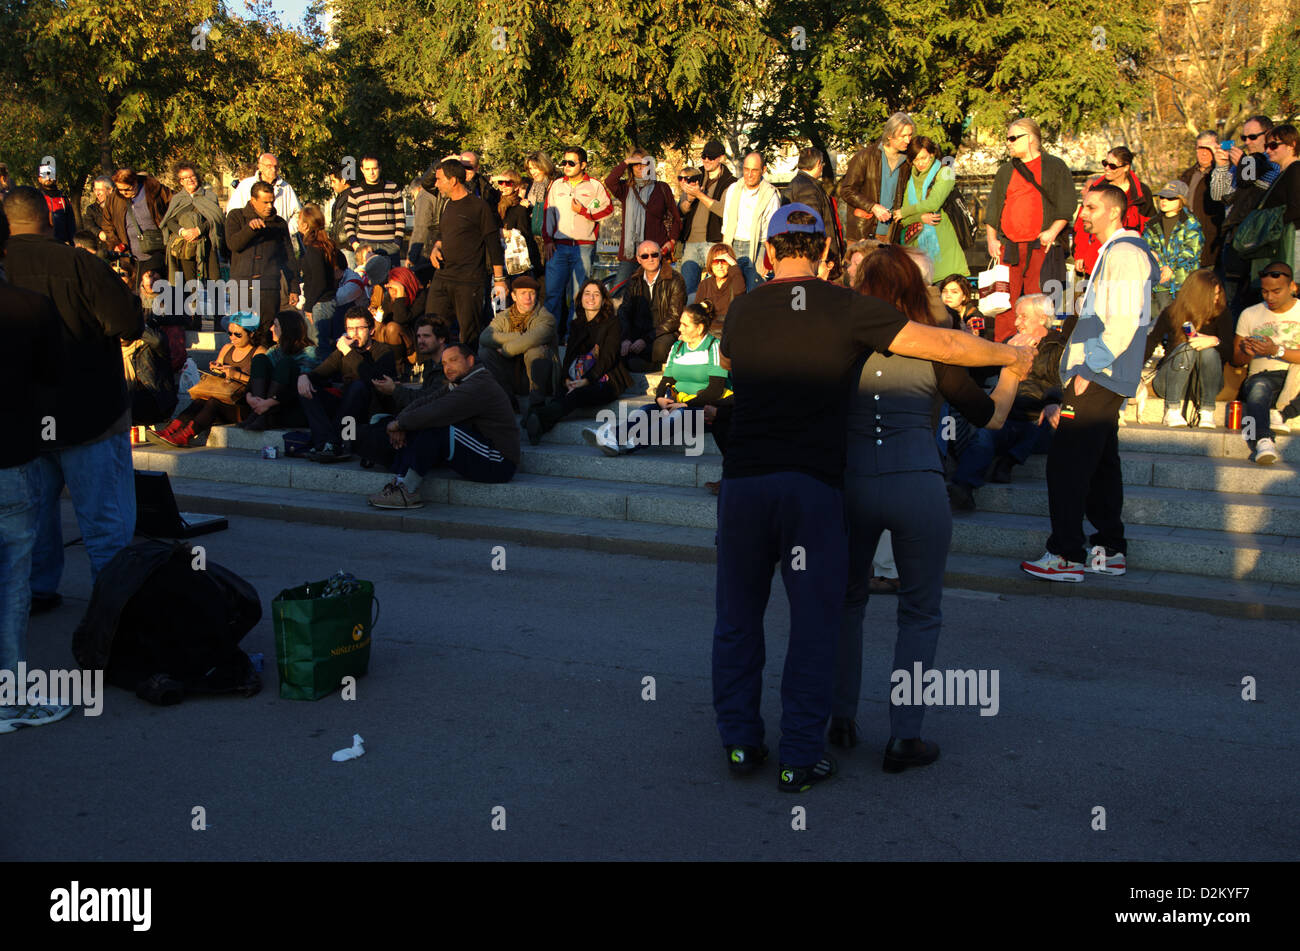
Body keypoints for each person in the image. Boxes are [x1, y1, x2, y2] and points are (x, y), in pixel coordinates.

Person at [712, 203, 1031, 791]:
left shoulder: (743, 308)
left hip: (745, 483)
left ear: (765, 254)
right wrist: (1012, 355)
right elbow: (947, 348)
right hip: (813, 486)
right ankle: (800, 757)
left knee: (737, 617)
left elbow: (730, 362)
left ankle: (740, 743)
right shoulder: (846, 309)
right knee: (815, 622)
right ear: (829, 258)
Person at [832, 244, 1023, 764]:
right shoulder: (935, 349)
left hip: (851, 482)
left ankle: (839, 718)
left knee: (846, 604)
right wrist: (1013, 369)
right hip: (916, 483)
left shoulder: (840, 344)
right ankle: (904, 733)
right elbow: (991, 418)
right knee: (920, 612)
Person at [3, 187, 143, 616]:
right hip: (90, 416)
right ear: (49, 216)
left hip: (25, 421)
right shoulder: (81, 264)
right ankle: (113, 610)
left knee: (35, 522)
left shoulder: (5, 269)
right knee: (104, 523)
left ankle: (38, 592)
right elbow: (127, 324)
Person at [1021, 183, 1159, 582]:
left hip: (1099, 375)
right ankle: (1109, 548)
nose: (1083, 213)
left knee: (1066, 464)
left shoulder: (1126, 253)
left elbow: (1125, 320)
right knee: (1100, 464)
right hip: (1103, 375)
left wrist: (1088, 366)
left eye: (1091, 207)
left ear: (1115, 213)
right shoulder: (1119, 253)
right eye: (1082, 205)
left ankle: (1065, 554)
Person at [0, 203, 71, 732]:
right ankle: (9, 696)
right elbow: (52, 381)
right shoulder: (28, 308)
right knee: (11, 582)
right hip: (10, 461)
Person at [366, 344, 520, 509]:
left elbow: (437, 411)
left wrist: (399, 424)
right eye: (444, 363)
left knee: (437, 429)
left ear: (470, 360)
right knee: (419, 424)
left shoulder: (480, 385)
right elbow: (425, 402)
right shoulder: (460, 383)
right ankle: (400, 482)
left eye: (453, 360)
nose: (448, 367)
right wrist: (400, 422)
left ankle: (407, 491)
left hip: (498, 462)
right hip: (478, 451)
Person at [949, 293, 1066, 508]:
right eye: (1017, 316)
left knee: (1043, 425)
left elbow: (1062, 380)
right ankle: (962, 488)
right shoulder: (1010, 341)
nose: (1016, 322)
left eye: (1023, 316)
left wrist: (1052, 401)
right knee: (985, 435)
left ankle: (1008, 461)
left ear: (1042, 318)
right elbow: (982, 374)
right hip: (1007, 415)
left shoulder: (1057, 347)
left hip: (1036, 416)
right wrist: (1005, 351)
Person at [583, 299, 730, 455]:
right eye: (680, 323)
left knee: (678, 415)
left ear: (699, 328)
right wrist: (660, 397)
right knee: (646, 409)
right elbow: (667, 380)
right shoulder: (677, 347)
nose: (680, 328)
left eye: (685, 325)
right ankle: (612, 436)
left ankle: (628, 444)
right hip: (677, 403)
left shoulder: (713, 346)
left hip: (703, 409)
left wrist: (686, 405)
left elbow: (715, 389)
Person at [984, 118, 1077, 341]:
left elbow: (1067, 205)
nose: (1009, 143)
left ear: (1031, 139)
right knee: (1004, 300)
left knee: (1038, 303)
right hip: (1009, 247)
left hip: (1040, 246)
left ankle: (1038, 347)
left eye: (1013, 137)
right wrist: (991, 239)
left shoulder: (1055, 166)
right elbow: (994, 206)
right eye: (1007, 138)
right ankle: (1003, 350)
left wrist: (1053, 232)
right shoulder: (1006, 170)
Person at [525, 279, 631, 445]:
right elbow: (569, 357)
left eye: (596, 294)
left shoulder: (612, 323)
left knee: (577, 394)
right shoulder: (576, 324)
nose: (591, 298)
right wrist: (566, 378)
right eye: (587, 294)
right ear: (580, 298)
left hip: (604, 378)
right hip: (576, 374)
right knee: (561, 394)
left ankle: (535, 417)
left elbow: (608, 358)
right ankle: (537, 426)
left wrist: (587, 380)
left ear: (604, 300)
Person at [423, 159, 507, 350]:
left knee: (469, 334)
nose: (436, 184)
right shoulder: (447, 205)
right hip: (443, 276)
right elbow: (445, 234)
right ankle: (434, 374)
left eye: (439, 179)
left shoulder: (479, 207)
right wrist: (437, 247)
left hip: (468, 281)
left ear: (453, 181)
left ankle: (470, 374)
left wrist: (500, 279)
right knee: (431, 327)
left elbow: (493, 244)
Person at [148, 313, 268, 447]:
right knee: (200, 400)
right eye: (229, 333)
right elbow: (217, 374)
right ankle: (171, 429)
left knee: (212, 402)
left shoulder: (260, 352)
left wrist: (236, 375)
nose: (232, 337)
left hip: (241, 405)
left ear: (251, 334)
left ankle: (184, 435)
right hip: (224, 395)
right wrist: (217, 368)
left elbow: (261, 384)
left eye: (237, 334)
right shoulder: (227, 348)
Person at [297, 308, 397, 462]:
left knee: (358, 386)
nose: (354, 334)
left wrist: (348, 352)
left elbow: (374, 381)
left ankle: (335, 443)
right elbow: (320, 372)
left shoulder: (384, 352)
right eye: (350, 329)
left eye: (359, 328)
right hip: (345, 410)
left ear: (371, 330)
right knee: (307, 389)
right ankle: (326, 443)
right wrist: (304, 377)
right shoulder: (344, 350)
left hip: (370, 410)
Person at [1212, 115, 1281, 317]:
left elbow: (1260, 189)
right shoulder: (1241, 164)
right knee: (1233, 303)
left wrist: (1244, 165)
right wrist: (1222, 166)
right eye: (1244, 138)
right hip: (1233, 238)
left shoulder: (1273, 163)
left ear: (1267, 136)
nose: (1247, 143)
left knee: (1257, 301)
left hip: (1258, 242)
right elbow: (1219, 195)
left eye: (1252, 137)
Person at [541, 147, 613, 339]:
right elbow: (548, 213)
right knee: (552, 295)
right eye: (564, 162)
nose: (566, 166)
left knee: (579, 296)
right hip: (558, 246)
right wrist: (547, 240)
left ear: (583, 165)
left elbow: (607, 210)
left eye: (571, 163)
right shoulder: (556, 185)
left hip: (583, 247)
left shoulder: (595, 186)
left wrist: (584, 211)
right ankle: (549, 337)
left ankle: (574, 337)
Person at [1232, 262, 1300, 465]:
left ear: (1292, 287)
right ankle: (1264, 441)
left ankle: (1283, 414)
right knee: (1259, 387)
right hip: (1262, 378)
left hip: (1295, 379)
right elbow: (1237, 360)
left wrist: (1275, 350)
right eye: (1265, 291)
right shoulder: (1249, 314)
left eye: (1276, 291)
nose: (1269, 297)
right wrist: (1247, 352)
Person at [1145, 269, 1231, 428]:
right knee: (1187, 348)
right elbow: (1150, 342)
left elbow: (1230, 354)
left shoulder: (1221, 314)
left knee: (1209, 351)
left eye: (1219, 293)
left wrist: (1215, 341)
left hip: (1205, 384)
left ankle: (1207, 411)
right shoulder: (1172, 312)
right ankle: (1172, 409)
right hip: (1170, 381)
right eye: (1213, 294)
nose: (1217, 298)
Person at [477, 274, 560, 412]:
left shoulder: (547, 318)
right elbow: (485, 337)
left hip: (539, 379)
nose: (528, 298)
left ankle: (536, 406)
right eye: (523, 293)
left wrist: (505, 350)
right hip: (512, 376)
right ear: (514, 297)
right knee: (485, 352)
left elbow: (532, 339)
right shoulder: (504, 316)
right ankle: (507, 401)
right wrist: (518, 335)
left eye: (531, 293)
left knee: (535, 350)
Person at [1072, 146, 1154, 278]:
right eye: (1105, 163)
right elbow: (1082, 224)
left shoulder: (1141, 193)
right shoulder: (1096, 189)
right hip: (1097, 257)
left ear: (1126, 167)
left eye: (1112, 166)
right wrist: (1080, 254)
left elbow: (1149, 228)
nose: (1107, 168)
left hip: (1129, 257)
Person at [605, 148, 682, 286]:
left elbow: (676, 218)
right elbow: (610, 181)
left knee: (656, 293)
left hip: (655, 252)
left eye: (644, 163)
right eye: (635, 164)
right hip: (631, 253)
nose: (639, 167)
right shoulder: (625, 188)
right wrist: (626, 162)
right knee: (620, 291)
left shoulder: (661, 188)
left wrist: (671, 242)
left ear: (650, 166)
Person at [896, 137, 969, 279]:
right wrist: (920, 218)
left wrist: (904, 212)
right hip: (919, 250)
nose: (920, 163)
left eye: (923, 158)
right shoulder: (911, 180)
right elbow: (904, 220)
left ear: (932, 154)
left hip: (944, 244)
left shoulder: (945, 173)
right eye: (916, 160)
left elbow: (933, 203)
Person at [225, 181, 295, 327]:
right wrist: (249, 230)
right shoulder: (236, 216)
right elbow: (233, 245)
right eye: (265, 202)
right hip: (242, 287)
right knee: (242, 332)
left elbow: (288, 257)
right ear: (253, 200)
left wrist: (293, 287)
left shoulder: (279, 223)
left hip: (269, 288)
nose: (270, 206)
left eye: (272, 202)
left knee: (266, 333)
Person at [159, 164, 225, 320]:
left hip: (207, 245)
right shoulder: (177, 199)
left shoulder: (209, 196)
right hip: (185, 247)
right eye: (185, 178)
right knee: (189, 283)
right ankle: (192, 321)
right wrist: (183, 231)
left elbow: (215, 219)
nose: (189, 180)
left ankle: (219, 321)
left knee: (214, 282)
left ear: (198, 177)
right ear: (180, 181)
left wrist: (198, 230)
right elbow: (170, 221)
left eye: (192, 176)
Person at [838, 112, 914, 243]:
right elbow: (846, 190)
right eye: (903, 136)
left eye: (910, 135)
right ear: (890, 135)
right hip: (862, 233)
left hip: (892, 235)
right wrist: (872, 206)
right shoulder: (865, 157)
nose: (908, 140)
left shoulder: (908, 161)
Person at [240, 309, 320, 431]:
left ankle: (262, 414)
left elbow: (299, 387)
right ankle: (259, 414)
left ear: (287, 329)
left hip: (291, 406)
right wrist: (249, 395)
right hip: (267, 406)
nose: (271, 329)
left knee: (285, 363)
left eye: (275, 325)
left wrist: (268, 404)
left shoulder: (309, 352)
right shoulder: (275, 350)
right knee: (260, 359)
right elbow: (259, 374)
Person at [617, 239, 688, 370]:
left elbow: (674, 317)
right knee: (615, 343)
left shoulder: (676, 279)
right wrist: (626, 338)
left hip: (663, 333)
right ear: (639, 259)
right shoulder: (634, 281)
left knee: (661, 348)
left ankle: (641, 363)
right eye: (645, 256)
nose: (650, 259)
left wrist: (645, 339)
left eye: (654, 254)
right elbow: (624, 311)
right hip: (637, 332)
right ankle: (638, 361)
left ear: (660, 255)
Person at [677, 140, 737, 294]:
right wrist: (690, 198)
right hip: (690, 242)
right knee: (687, 291)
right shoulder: (695, 175)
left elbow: (725, 211)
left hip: (714, 243)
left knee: (716, 290)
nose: (706, 160)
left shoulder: (730, 182)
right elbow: (681, 210)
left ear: (721, 158)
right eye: (704, 156)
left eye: (711, 157)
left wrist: (699, 195)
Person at [719, 152, 782, 291]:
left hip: (759, 247)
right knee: (731, 292)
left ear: (763, 170)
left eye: (754, 170)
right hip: (733, 244)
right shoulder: (733, 189)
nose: (749, 174)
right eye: (746, 169)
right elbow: (726, 223)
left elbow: (773, 231)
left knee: (755, 292)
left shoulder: (771, 195)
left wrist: (768, 260)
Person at [103, 167, 174, 285]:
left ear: (135, 183)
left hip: (157, 249)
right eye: (120, 189)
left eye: (127, 189)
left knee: (151, 285)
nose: (123, 193)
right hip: (129, 254)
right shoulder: (114, 198)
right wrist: (115, 243)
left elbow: (175, 204)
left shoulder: (154, 190)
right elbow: (107, 223)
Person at [1145, 180, 1205, 315]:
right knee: (1161, 321)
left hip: (1183, 283)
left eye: (1170, 198)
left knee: (1185, 322)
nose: (1164, 201)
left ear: (1181, 200)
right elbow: (1147, 247)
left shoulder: (1191, 223)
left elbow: (1192, 250)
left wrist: (1171, 266)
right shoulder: (1152, 224)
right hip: (1160, 283)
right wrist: (1156, 262)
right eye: (1162, 197)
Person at [226, 152, 302, 242]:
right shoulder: (246, 186)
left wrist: (286, 230)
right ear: (260, 166)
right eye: (269, 166)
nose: (273, 170)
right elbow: (233, 213)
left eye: (276, 166)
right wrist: (247, 231)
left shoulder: (286, 188)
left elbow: (298, 213)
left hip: (278, 241)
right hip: (251, 241)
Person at [343, 156, 405, 264]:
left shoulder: (393, 188)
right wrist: (355, 243)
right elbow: (349, 221)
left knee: (392, 279)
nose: (371, 172)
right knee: (366, 280)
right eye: (367, 169)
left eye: (374, 168)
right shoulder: (355, 192)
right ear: (362, 169)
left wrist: (397, 243)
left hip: (390, 246)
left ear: (380, 168)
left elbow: (400, 218)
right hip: (365, 246)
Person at [788, 147, 843, 266]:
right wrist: (822, 258)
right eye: (822, 163)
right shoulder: (808, 188)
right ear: (818, 163)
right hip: (814, 258)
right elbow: (810, 227)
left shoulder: (798, 183)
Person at [1180, 131, 1226, 268]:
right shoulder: (1188, 175)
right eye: (1201, 148)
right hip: (1187, 243)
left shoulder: (1224, 173)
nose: (1204, 153)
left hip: (1211, 244)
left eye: (1209, 149)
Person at [295, 204, 339, 348]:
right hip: (326, 301)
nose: (297, 223)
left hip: (319, 304)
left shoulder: (314, 249)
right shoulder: (325, 245)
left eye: (299, 220)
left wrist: (308, 307)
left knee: (318, 348)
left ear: (306, 225)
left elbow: (318, 281)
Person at [122, 321, 178, 426]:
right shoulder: (113, 350)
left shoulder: (148, 344)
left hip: (156, 402)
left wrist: (133, 325)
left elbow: (158, 341)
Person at [494, 168, 541, 280]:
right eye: (501, 182)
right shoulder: (494, 202)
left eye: (508, 183)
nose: (503, 186)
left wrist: (511, 233)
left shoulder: (520, 207)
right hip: (498, 257)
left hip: (514, 261)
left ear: (516, 186)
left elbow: (525, 234)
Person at [694, 243, 746, 337]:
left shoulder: (736, 280)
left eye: (724, 261)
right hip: (708, 333)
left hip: (730, 332)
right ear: (710, 264)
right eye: (715, 262)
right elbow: (696, 313)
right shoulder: (705, 284)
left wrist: (734, 264)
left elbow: (740, 293)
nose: (720, 266)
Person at [522, 151, 557, 245]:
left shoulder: (556, 184)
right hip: (536, 238)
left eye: (535, 168)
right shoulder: (533, 185)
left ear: (544, 166)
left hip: (553, 239)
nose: (532, 172)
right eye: (530, 168)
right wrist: (526, 206)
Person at [37, 161, 74, 245]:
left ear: (56, 177)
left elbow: (71, 227)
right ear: (39, 179)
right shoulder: (36, 199)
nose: (48, 178)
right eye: (44, 175)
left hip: (62, 245)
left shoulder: (64, 200)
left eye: (50, 174)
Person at [325, 164, 354, 267]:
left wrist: (349, 245)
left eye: (333, 181)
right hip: (341, 247)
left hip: (347, 248)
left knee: (349, 279)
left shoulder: (351, 198)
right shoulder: (342, 197)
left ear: (343, 180)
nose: (332, 185)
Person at [86, 176, 116, 255]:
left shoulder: (119, 207)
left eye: (100, 190)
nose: (97, 193)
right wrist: (99, 233)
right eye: (95, 190)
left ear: (110, 190)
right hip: (100, 250)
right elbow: (89, 225)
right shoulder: (91, 209)